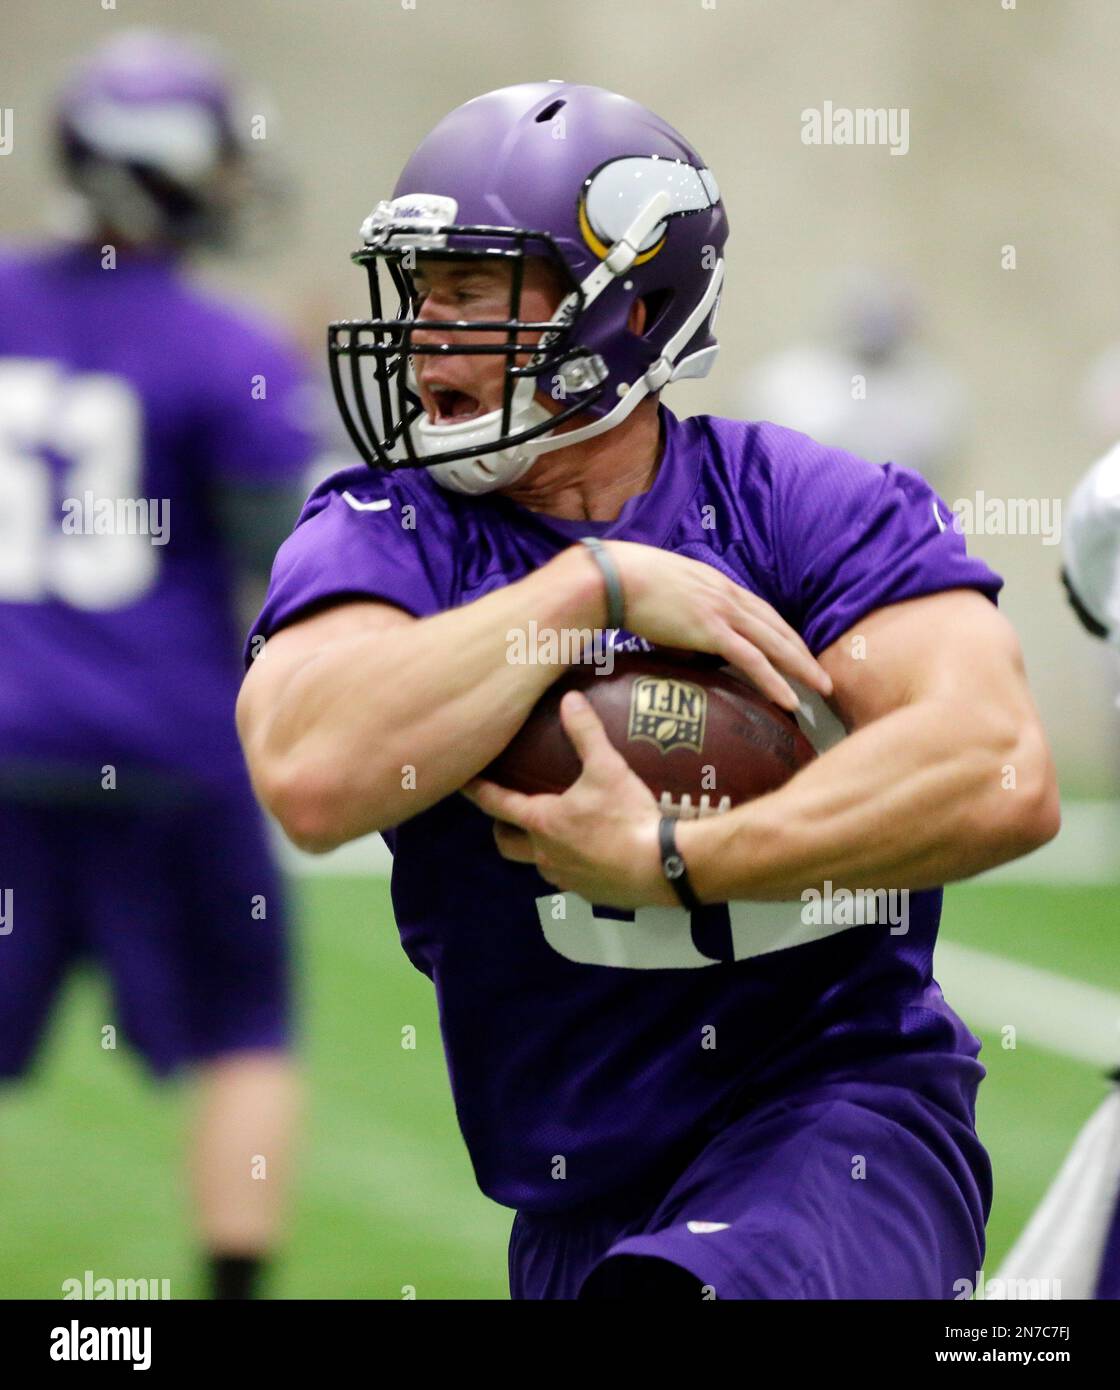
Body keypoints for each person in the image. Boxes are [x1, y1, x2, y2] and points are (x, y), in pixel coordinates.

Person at [237, 81, 1060, 1299]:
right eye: (420, 294)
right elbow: (309, 772)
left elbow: (999, 767)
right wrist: (589, 594)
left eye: (469, 289)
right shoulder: (384, 532)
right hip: (570, 1193)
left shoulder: (802, 506)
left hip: (839, 1132)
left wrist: (680, 855)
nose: (424, 337)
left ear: (622, 309)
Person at [0, 30, 316, 1299]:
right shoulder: (220, 349)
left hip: (6, 744)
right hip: (169, 752)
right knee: (247, 1033)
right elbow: (271, 564)